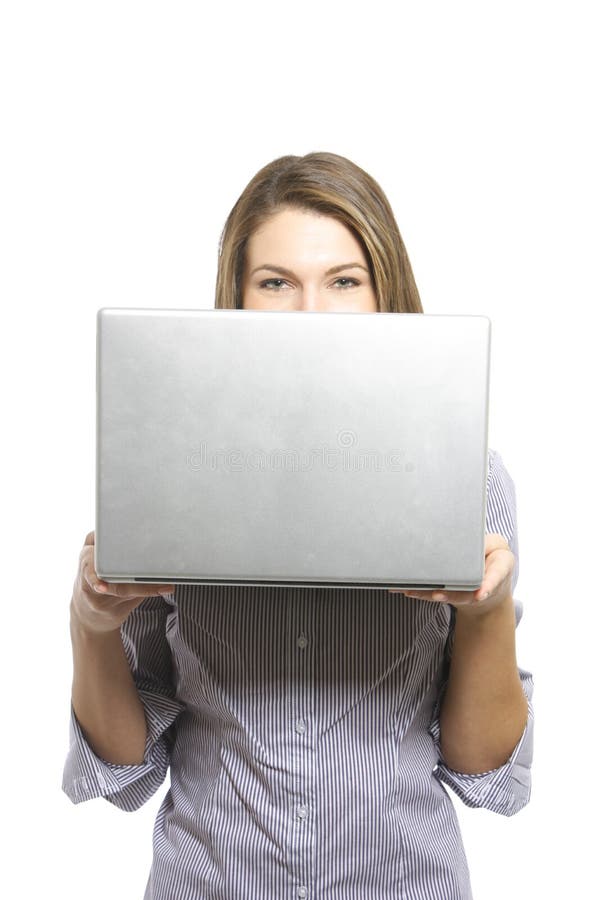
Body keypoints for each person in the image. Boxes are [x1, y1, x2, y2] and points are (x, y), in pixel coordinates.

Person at [63, 152, 534, 899]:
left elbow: (485, 773)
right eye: (276, 282)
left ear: (385, 295)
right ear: (239, 300)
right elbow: (126, 767)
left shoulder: (469, 481)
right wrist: (91, 626)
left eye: (344, 281)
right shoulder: (168, 477)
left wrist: (485, 616)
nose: (311, 312)